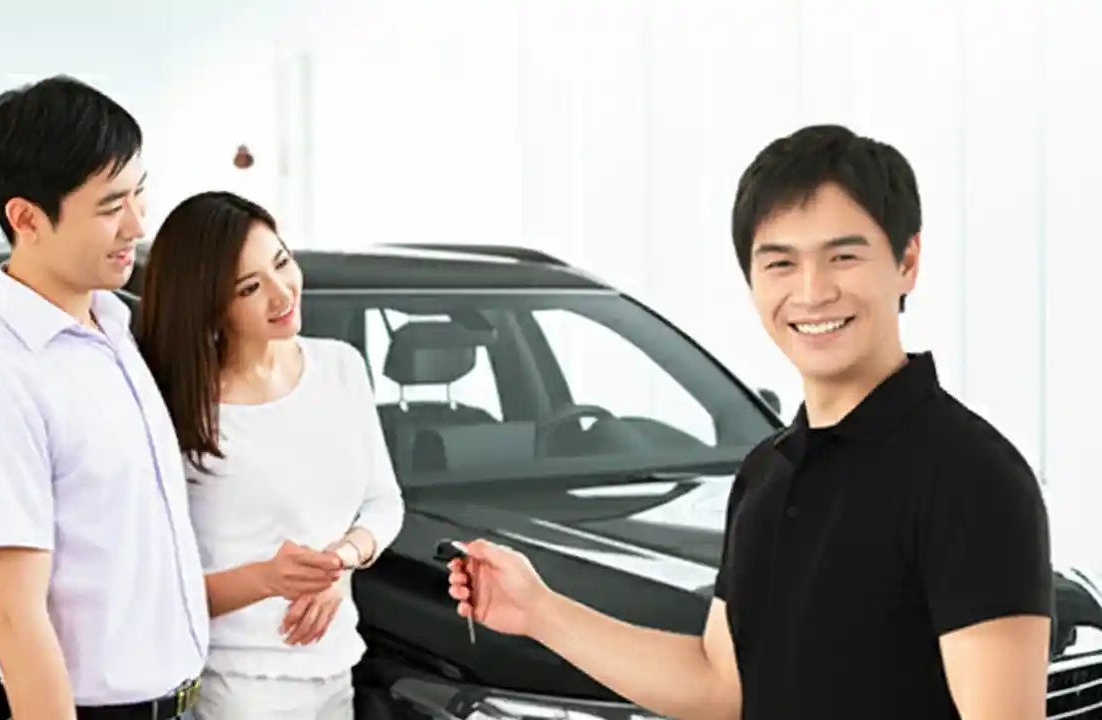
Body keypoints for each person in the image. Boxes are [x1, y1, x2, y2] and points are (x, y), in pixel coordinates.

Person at [446, 124, 1053, 719]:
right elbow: (721, 686)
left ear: (907, 261)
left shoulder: (972, 475)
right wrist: (540, 613)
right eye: (780, 264)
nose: (812, 293)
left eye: (843, 256)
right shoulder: (768, 473)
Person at [0, 75, 224, 719]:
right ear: (26, 218)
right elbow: (13, 613)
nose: (139, 225)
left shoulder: (114, 329)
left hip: (183, 701)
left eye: (139, 193)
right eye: (112, 205)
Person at [136, 191, 405, 720]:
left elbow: (384, 502)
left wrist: (342, 562)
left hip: (334, 673)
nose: (282, 294)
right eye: (250, 287)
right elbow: (156, 592)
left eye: (282, 262)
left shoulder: (341, 367)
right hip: (234, 689)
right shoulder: (180, 410)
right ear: (210, 303)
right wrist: (269, 578)